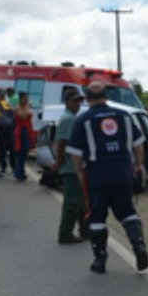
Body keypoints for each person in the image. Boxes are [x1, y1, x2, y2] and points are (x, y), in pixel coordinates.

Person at [66, 81, 148, 274]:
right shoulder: (125, 117)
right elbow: (139, 145)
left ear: (87, 98)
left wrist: (79, 172)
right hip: (122, 172)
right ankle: (138, 245)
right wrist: (138, 165)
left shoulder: (83, 120)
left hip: (97, 173)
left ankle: (100, 259)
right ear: (106, 96)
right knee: (127, 210)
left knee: (97, 215)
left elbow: (76, 153)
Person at [54, 87, 87, 244]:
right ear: (67, 102)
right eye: (74, 101)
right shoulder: (69, 119)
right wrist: (59, 161)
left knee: (81, 201)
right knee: (73, 202)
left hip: (73, 166)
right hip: (70, 166)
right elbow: (63, 142)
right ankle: (66, 233)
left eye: (79, 101)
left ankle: (85, 230)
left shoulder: (71, 117)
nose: (78, 104)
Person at [12, 91, 35, 182]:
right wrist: (27, 106)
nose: (27, 100)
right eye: (26, 98)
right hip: (21, 131)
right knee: (22, 152)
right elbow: (23, 116)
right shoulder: (18, 107)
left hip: (27, 130)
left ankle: (21, 172)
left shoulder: (24, 107)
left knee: (25, 153)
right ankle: (19, 172)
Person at [0, 89, 14, 173]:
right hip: (1, 127)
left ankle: (13, 166)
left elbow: (13, 113)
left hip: (9, 127)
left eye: (3, 96)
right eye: (1, 95)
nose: (2, 97)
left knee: (11, 147)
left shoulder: (7, 103)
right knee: (2, 148)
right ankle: (3, 166)